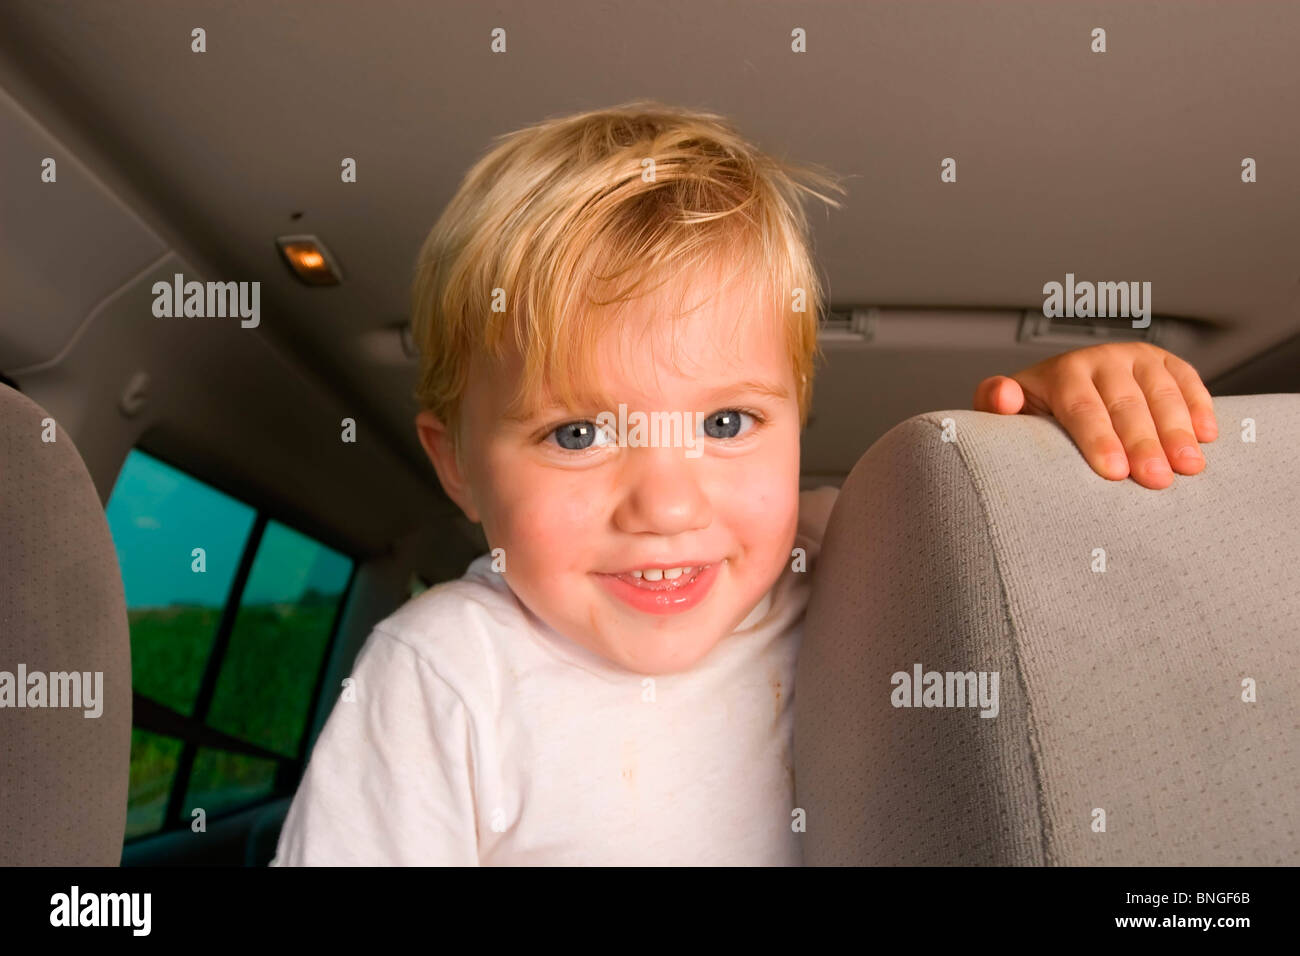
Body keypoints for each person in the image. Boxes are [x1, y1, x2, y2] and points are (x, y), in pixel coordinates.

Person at [271, 101, 1216, 865]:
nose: (669, 507)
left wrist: (1058, 432)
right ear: (456, 467)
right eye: (577, 432)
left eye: (727, 424)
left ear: (798, 421)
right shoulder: (446, 676)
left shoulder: (850, 562)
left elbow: (1022, 584)